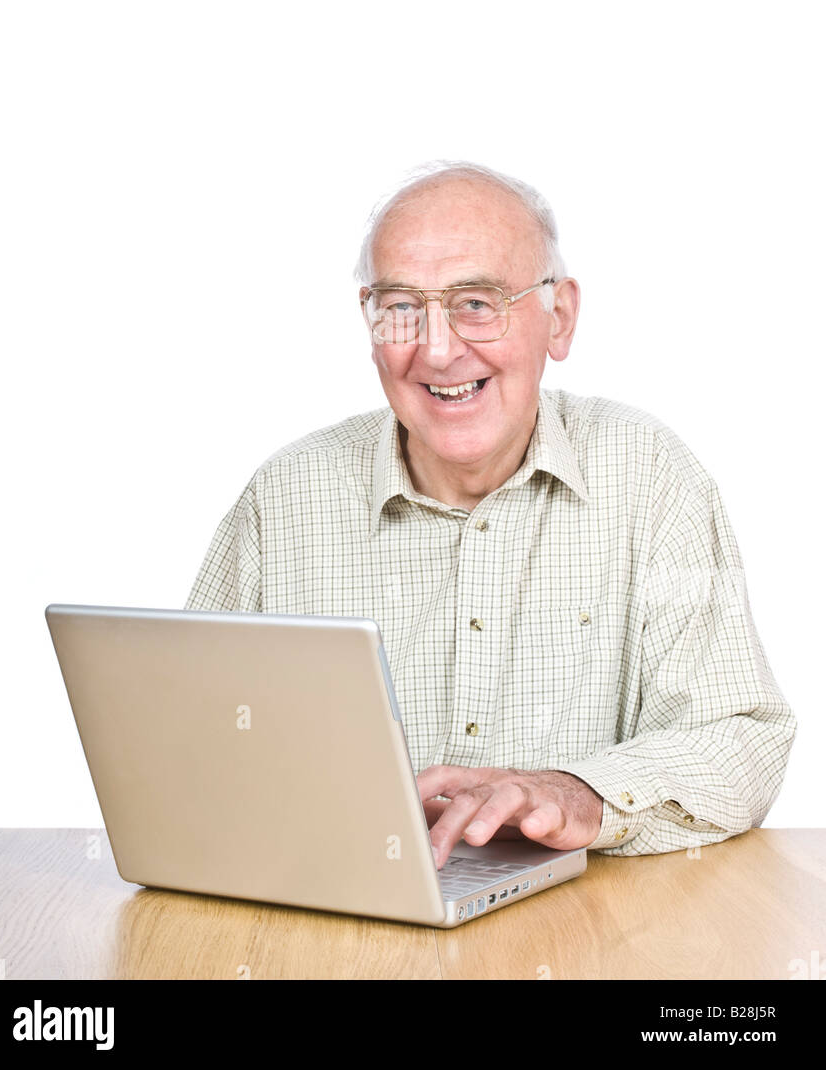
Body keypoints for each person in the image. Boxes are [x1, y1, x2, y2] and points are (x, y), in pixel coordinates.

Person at [184, 161, 796, 867]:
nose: (438, 350)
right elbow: (187, 749)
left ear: (558, 318)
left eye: (477, 303)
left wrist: (580, 794)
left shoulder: (651, 473)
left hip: (592, 935)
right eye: (402, 308)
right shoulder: (285, 495)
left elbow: (741, 739)